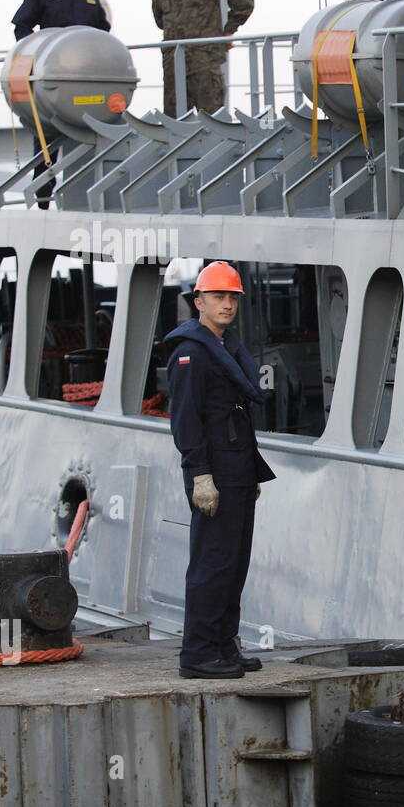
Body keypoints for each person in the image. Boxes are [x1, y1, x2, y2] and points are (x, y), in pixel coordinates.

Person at [165, 261, 275, 679]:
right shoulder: (191, 352)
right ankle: (198, 653)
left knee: (234, 561)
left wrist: (249, 472)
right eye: (218, 296)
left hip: (237, 469)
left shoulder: (225, 346)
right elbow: (186, 420)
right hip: (214, 471)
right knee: (212, 562)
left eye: (232, 297)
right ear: (199, 301)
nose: (227, 304)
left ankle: (224, 645)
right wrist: (200, 476)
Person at [10, 0, 111, 208]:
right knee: (47, 140)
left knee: (89, 135)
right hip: (53, 82)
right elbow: (22, 26)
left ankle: (85, 200)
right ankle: (43, 200)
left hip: (85, 81)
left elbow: (103, 30)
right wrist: (35, 53)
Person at [152, 0, 254, 117]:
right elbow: (160, 20)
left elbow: (243, 1)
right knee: (174, 128)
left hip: (204, 63)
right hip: (174, 65)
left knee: (212, 125)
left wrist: (228, 32)